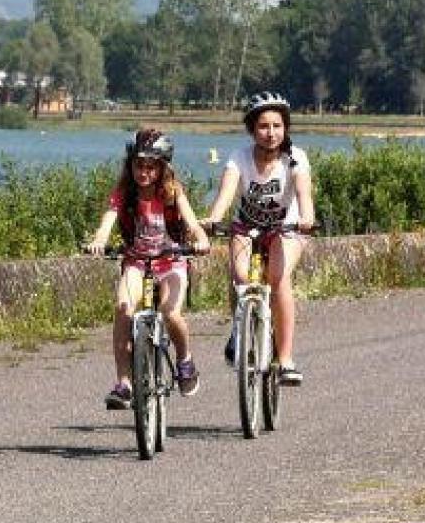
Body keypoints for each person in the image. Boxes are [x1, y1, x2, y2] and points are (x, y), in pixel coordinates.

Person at [84, 128, 210, 410]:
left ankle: (185, 360)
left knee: (171, 313)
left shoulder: (172, 192)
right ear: (130, 166)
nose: (144, 172)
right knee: (123, 309)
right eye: (138, 165)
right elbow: (109, 219)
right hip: (137, 261)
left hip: (172, 260)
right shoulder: (124, 194)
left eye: (151, 166)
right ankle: (124, 383)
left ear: (162, 167)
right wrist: (100, 239)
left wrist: (201, 239)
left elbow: (191, 221)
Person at [203, 92, 318, 384]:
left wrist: (307, 218)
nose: (271, 133)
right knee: (241, 277)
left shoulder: (295, 157)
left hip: (287, 228)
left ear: (286, 128)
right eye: (263, 126)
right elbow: (227, 192)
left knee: (278, 278)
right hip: (246, 226)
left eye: (277, 126)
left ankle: (286, 358)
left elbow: (304, 191)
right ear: (252, 129)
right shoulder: (239, 157)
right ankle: (240, 328)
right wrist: (214, 218)